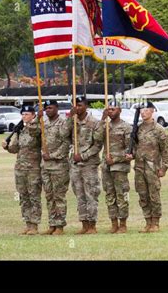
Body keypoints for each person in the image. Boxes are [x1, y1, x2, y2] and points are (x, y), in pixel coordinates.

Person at [126, 101, 168, 233]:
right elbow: (136, 149)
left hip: (153, 168)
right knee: (142, 195)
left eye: (146, 110)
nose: (143, 112)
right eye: (141, 110)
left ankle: (155, 222)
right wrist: (131, 155)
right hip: (139, 168)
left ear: (152, 111)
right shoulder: (137, 129)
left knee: (154, 195)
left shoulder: (159, 130)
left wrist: (164, 168)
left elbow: (166, 151)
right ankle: (147, 221)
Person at [28, 100, 70, 236]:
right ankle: (52, 224)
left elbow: (66, 142)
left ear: (57, 108)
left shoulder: (63, 122)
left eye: (51, 108)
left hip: (59, 165)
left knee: (59, 196)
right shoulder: (43, 123)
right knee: (49, 196)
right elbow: (32, 132)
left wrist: (52, 156)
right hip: (45, 166)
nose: (48, 110)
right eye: (46, 108)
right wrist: (37, 118)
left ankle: (60, 225)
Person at [1, 105, 42, 235]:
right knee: (23, 197)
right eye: (23, 114)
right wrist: (7, 147)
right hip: (20, 168)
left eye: (27, 114)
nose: (24, 116)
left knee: (34, 196)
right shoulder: (21, 129)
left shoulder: (37, 128)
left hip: (33, 168)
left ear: (33, 115)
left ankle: (34, 225)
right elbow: (15, 148)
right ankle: (27, 223)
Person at [67, 96, 104, 234]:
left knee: (91, 194)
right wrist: (69, 119)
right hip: (75, 164)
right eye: (75, 105)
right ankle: (84, 224)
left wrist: (83, 156)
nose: (77, 107)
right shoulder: (72, 122)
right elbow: (63, 135)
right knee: (79, 194)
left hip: (89, 164)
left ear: (86, 106)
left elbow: (98, 145)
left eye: (80, 105)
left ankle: (92, 225)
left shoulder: (94, 123)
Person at [100, 101, 132, 234]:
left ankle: (123, 223)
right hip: (106, 167)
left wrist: (115, 159)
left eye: (113, 109)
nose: (111, 112)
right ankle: (113, 222)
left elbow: (130, 151)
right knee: (109, 195)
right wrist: (102, 119)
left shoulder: (126, 127)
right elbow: (96, 137)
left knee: (122, 195)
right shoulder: (105, 126)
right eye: (109, 109)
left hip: (119, 167)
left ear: (119, 110)